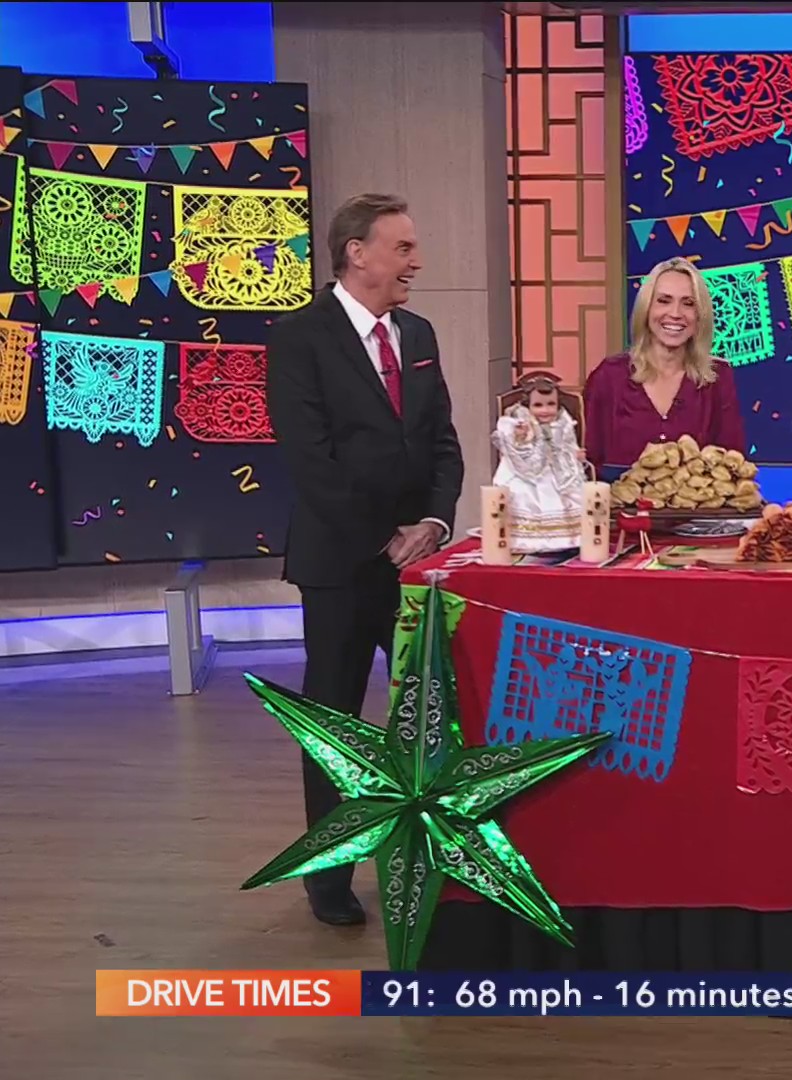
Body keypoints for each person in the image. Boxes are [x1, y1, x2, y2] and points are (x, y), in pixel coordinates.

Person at [265, 193, 463, 927]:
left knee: (431, 717)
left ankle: (441, 863)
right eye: (404, 247)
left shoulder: (418, 331)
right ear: (357, 252)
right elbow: (311, 461)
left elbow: (442, 442)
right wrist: (387, 533)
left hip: (417, 564)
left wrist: (435, 521)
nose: (416, 260)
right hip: (342, 562)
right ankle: (331, 875)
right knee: (337, 726)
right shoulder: (300, 338)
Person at [584, 257, 745, 476]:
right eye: (664, 300)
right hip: (620, 508)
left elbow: (732, 465)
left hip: (697, 509)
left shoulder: (717, 379)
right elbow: (589, 465)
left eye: (688, 303)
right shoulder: (609, 377)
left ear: (700, 315)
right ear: (646, 309)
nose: (676, 313)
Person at [493, 375, 587, 552]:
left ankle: (567, 537)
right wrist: (521, 439)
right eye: (538, 405)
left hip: (557, 470)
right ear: (527, 406)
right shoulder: (519, 423)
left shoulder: (561, 422)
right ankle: (529, 537)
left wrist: (573, 453)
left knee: (572, 493)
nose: (545, 410)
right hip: (525, 473)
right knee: (524, 493)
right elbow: (517, 454)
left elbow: (566, 444)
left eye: (551, 404)